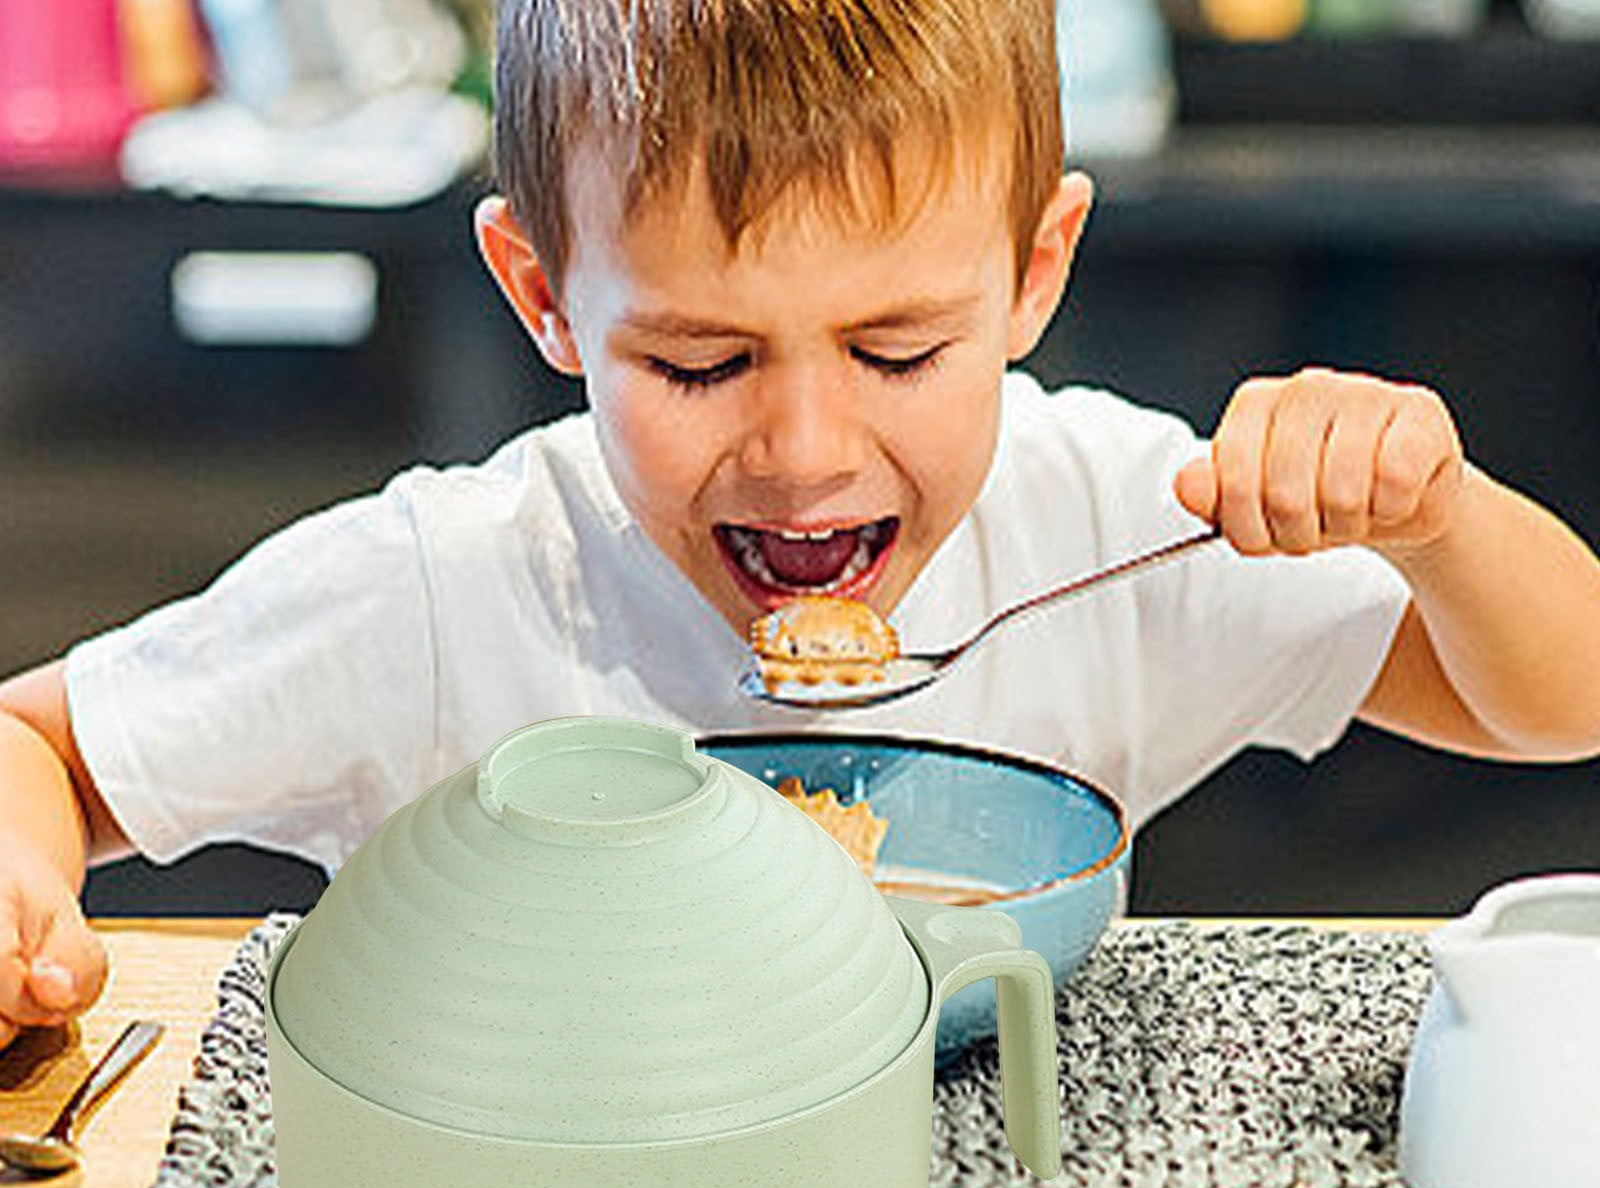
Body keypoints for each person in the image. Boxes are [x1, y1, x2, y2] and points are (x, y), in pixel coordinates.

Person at [3, 0, 1599, 1052]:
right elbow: (45, 748)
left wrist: (1434, 519)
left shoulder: (1111, 527)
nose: (805, 452)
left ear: (1035, 274)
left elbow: (1563, 698)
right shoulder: (452, 590)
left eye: (897, 353)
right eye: (699, 364)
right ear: (544, 295)